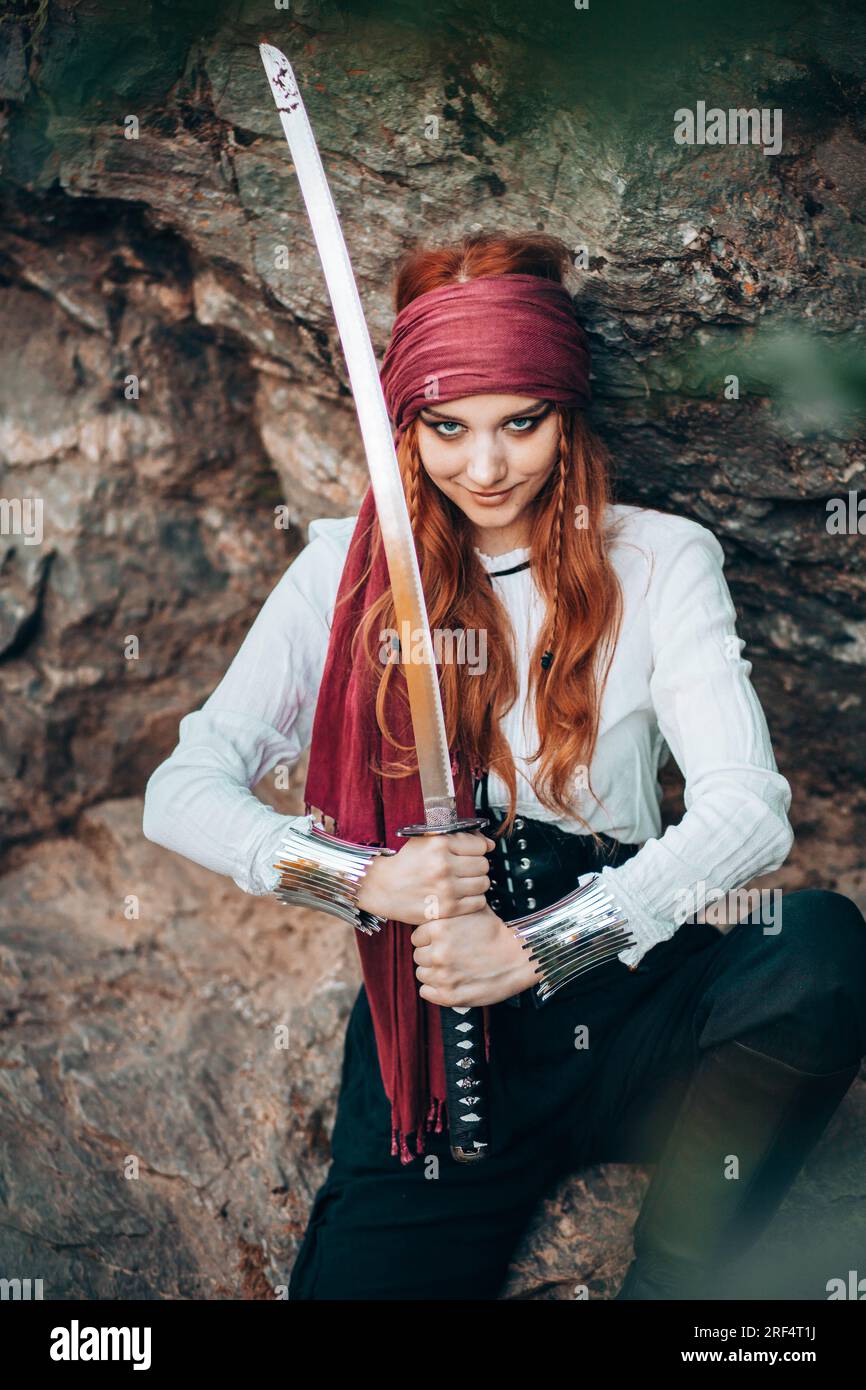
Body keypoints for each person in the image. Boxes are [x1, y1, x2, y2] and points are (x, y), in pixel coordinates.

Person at [142, 231, 866, 1301]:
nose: (485, 467)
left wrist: (541, 950)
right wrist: (356, 879)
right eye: (447, 427)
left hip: (627, 998)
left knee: (815, 950)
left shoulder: (660, 557)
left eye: (519, 423)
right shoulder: (333, 573)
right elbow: (180, 790)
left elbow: (747, 813)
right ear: (408, 428)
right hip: (442, 1051)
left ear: (564, 416)